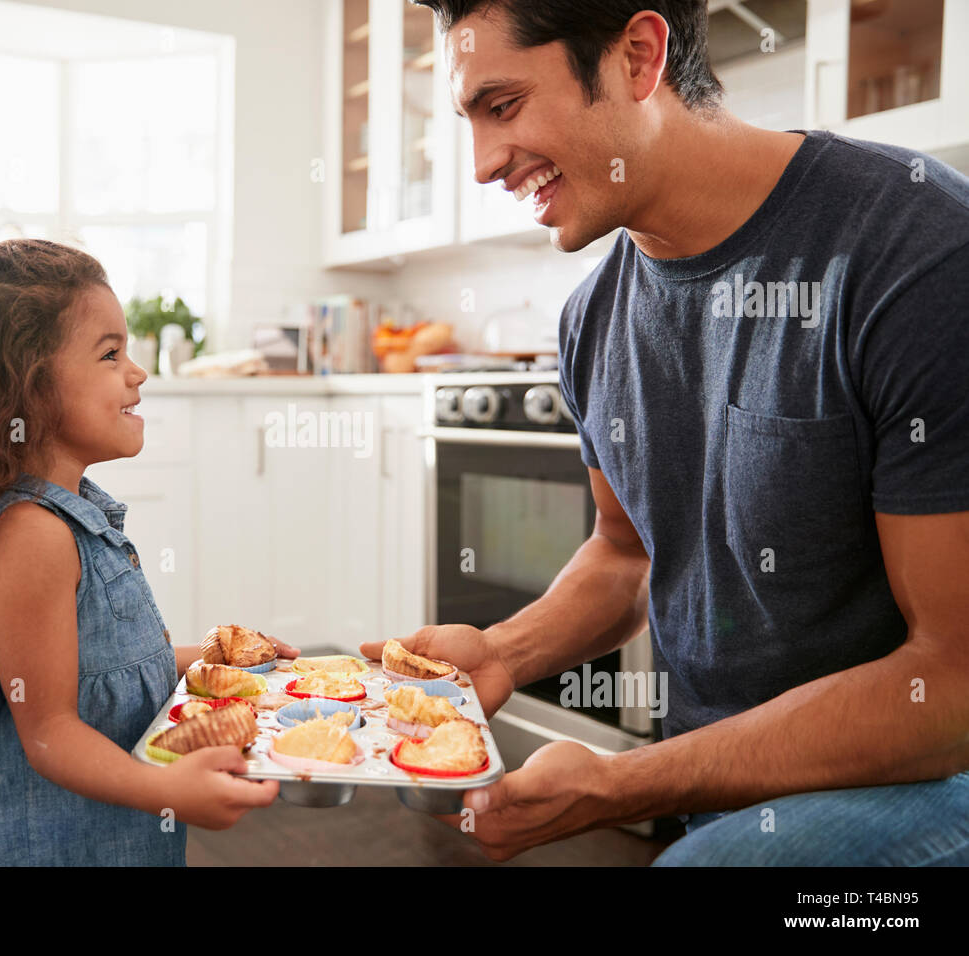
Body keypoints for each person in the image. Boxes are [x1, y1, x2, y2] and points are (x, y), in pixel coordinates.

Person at [362, 0, 969, 864]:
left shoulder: (915, 251)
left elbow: (952, 687)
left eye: (502, 106)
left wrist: (622, 782)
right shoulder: (593, 317)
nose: (485, 164)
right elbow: (626, 553)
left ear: (638, 57)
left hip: (933, 778)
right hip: (725, 783)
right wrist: (496, 654)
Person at [0, 239, 288, 865]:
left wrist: (220, 661)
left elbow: (103, 672)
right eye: (109, 353)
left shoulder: (72, 515)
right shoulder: (32, 535)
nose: (137, 371)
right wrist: (166, 789)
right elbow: (48, 732)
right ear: (25, 386)